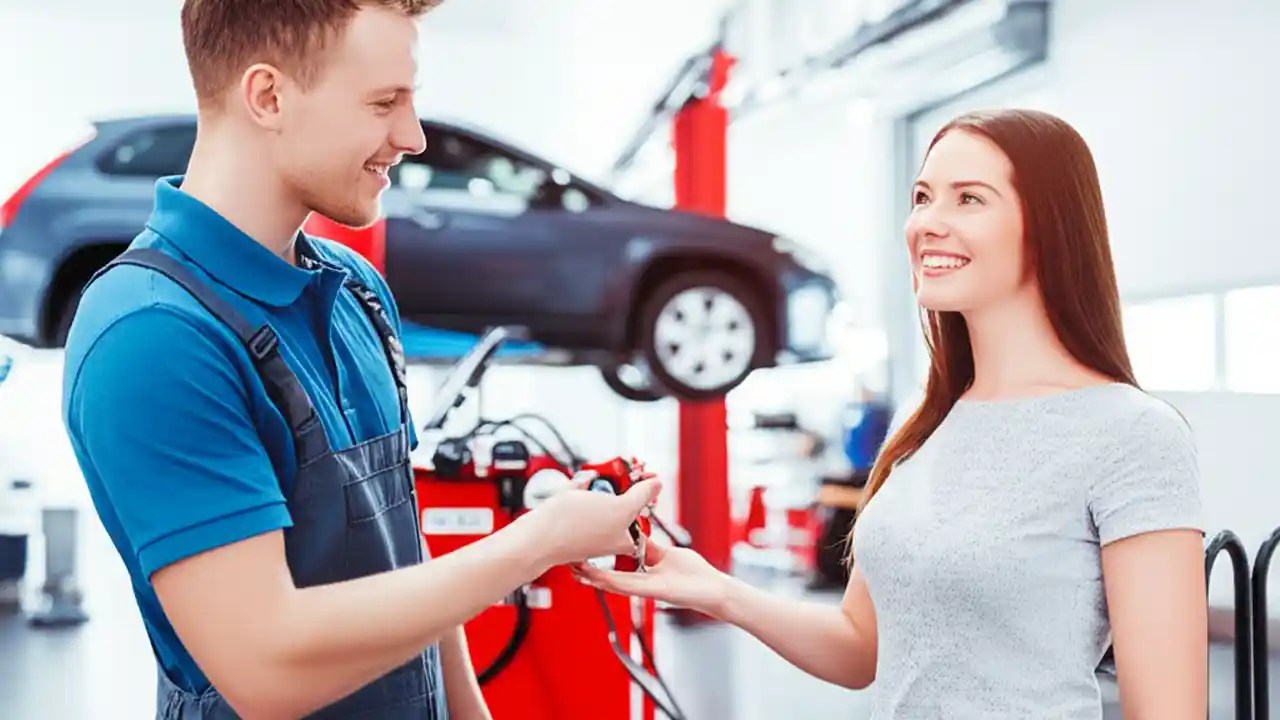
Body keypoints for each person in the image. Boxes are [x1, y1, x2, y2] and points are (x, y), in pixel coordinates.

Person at [59, 2, 659, 718]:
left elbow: (403, 557)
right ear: (268, 96)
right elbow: (267, 669)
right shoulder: (151, 334)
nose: (410, 137)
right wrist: (532, 545)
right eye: (384, 103)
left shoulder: (357, 293)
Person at [576, 108, 1208, 719]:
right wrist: (717, 589)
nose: (927, 223)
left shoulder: (1131, 434)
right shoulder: (926, 422)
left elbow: (1170, 712)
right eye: (922, 196)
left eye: (969, 199)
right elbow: (862, 647)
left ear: (1049, 228)